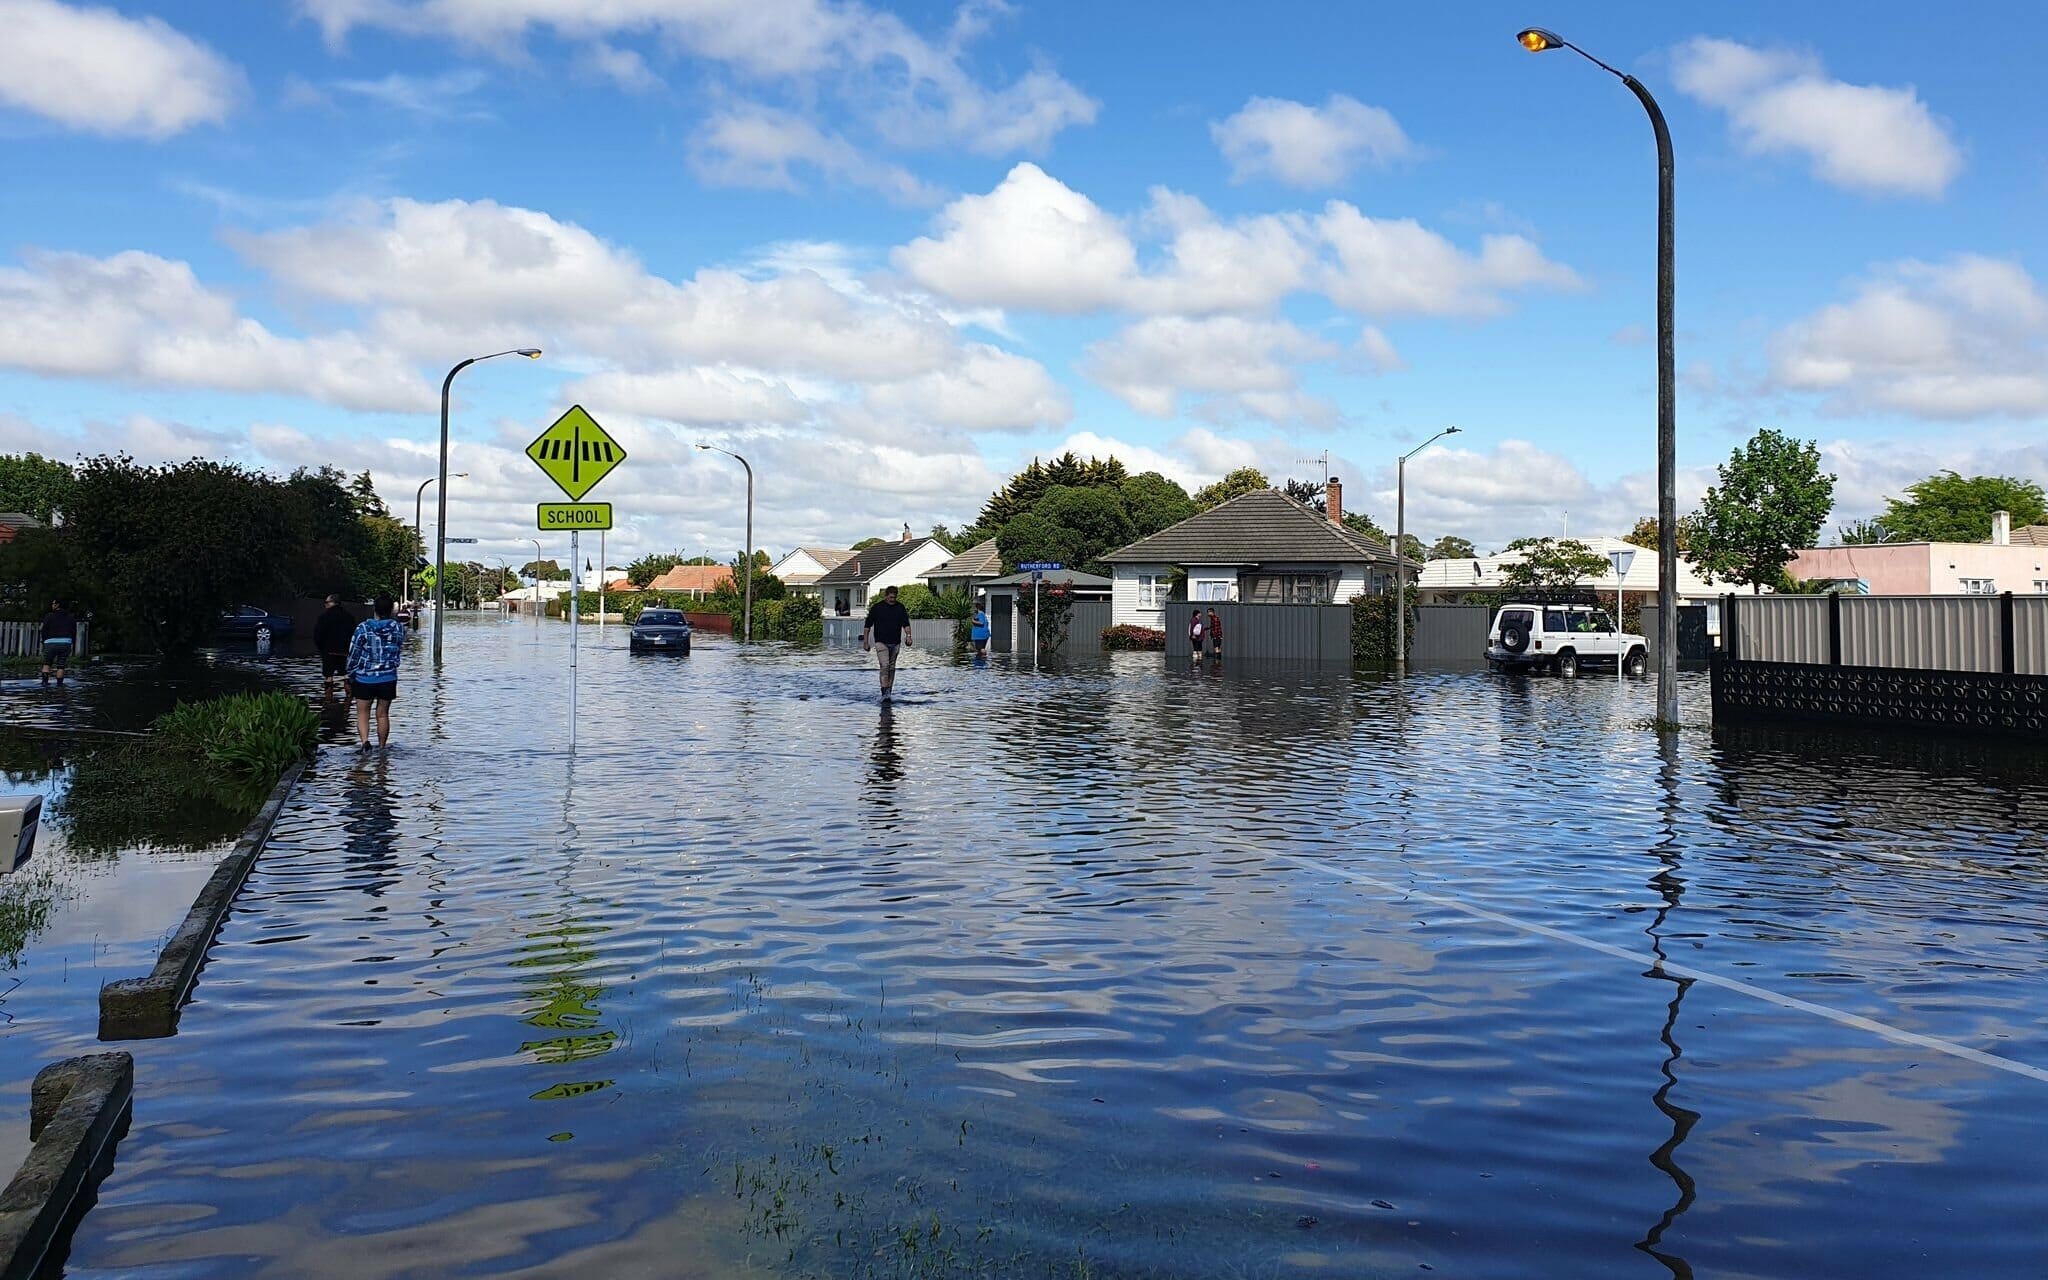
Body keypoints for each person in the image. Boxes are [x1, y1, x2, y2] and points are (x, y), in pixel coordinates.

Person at [346, 595, 406, 748]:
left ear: (375, 609)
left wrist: (350, 673)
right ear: (391, 609)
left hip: (364, 677)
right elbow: (398, 648)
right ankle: (382, 747)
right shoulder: (397, 628)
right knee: (383, 714)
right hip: (388, 677)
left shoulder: (363, 628)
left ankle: (365, 742)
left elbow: (354, 652)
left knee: (362, 712)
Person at [861, 585, 913, 698]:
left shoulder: (900, 608)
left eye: (894, 598)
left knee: (892, 667)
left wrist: (908, 636)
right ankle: (884, 692)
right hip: (881, 642)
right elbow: (867, 626)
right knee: (884, 665)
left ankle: (889, 690)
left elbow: (906, 624)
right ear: (886, 596)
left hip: (895, 642)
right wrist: (866, 642)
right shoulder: (877, 608)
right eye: (890, 598)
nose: (892, 600)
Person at [314, 594, 357, 695]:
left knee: (328, 676)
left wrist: (321, 648)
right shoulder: (349, 617)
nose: (325, 605)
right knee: (346, 675)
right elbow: (354, 634)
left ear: (332, 603)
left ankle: (328, 701)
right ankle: (348, 702)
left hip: (328, 651)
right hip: (345, 652)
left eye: (326, 603)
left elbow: (318, 635)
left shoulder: (324, 617)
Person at [40, 600, 76, 687]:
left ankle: (45, 684)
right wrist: (71, 642)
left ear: (57, 605)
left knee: (46, 664)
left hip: (50, 642)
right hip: (65, 643)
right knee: (61, 666)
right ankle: (59, 685)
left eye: (53, 604)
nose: (52, 605)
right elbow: (74, 631)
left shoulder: (49, 616)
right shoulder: (70, 617)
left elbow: (44, 630)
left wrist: (44, 641)